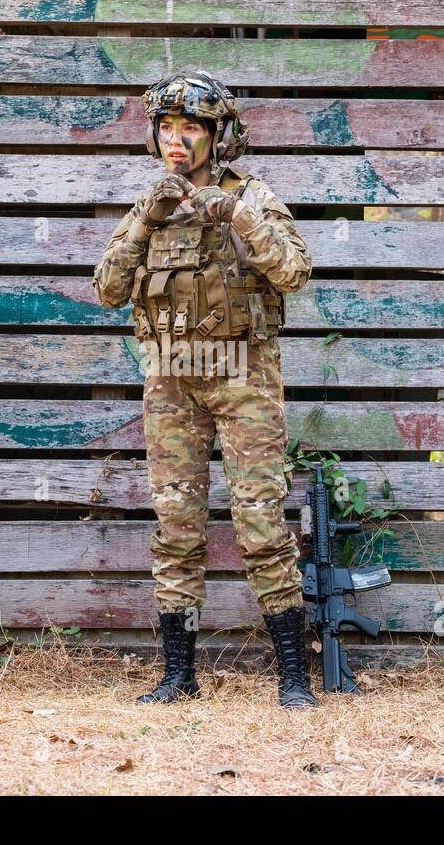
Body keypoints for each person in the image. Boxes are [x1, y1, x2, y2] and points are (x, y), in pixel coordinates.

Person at [92, 71, 317, 707]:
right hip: (171, 384)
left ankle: (293, 677)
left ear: (217, 136)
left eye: (191, 128)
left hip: (243, 376)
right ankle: (177, 674)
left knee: (260, 523)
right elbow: (107, 289)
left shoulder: (253, 196)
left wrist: (239, 216)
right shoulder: (150, 204)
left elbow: (294, 271)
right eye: (167, 127)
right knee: (177, 527)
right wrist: (146, 222)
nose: (177, 140)